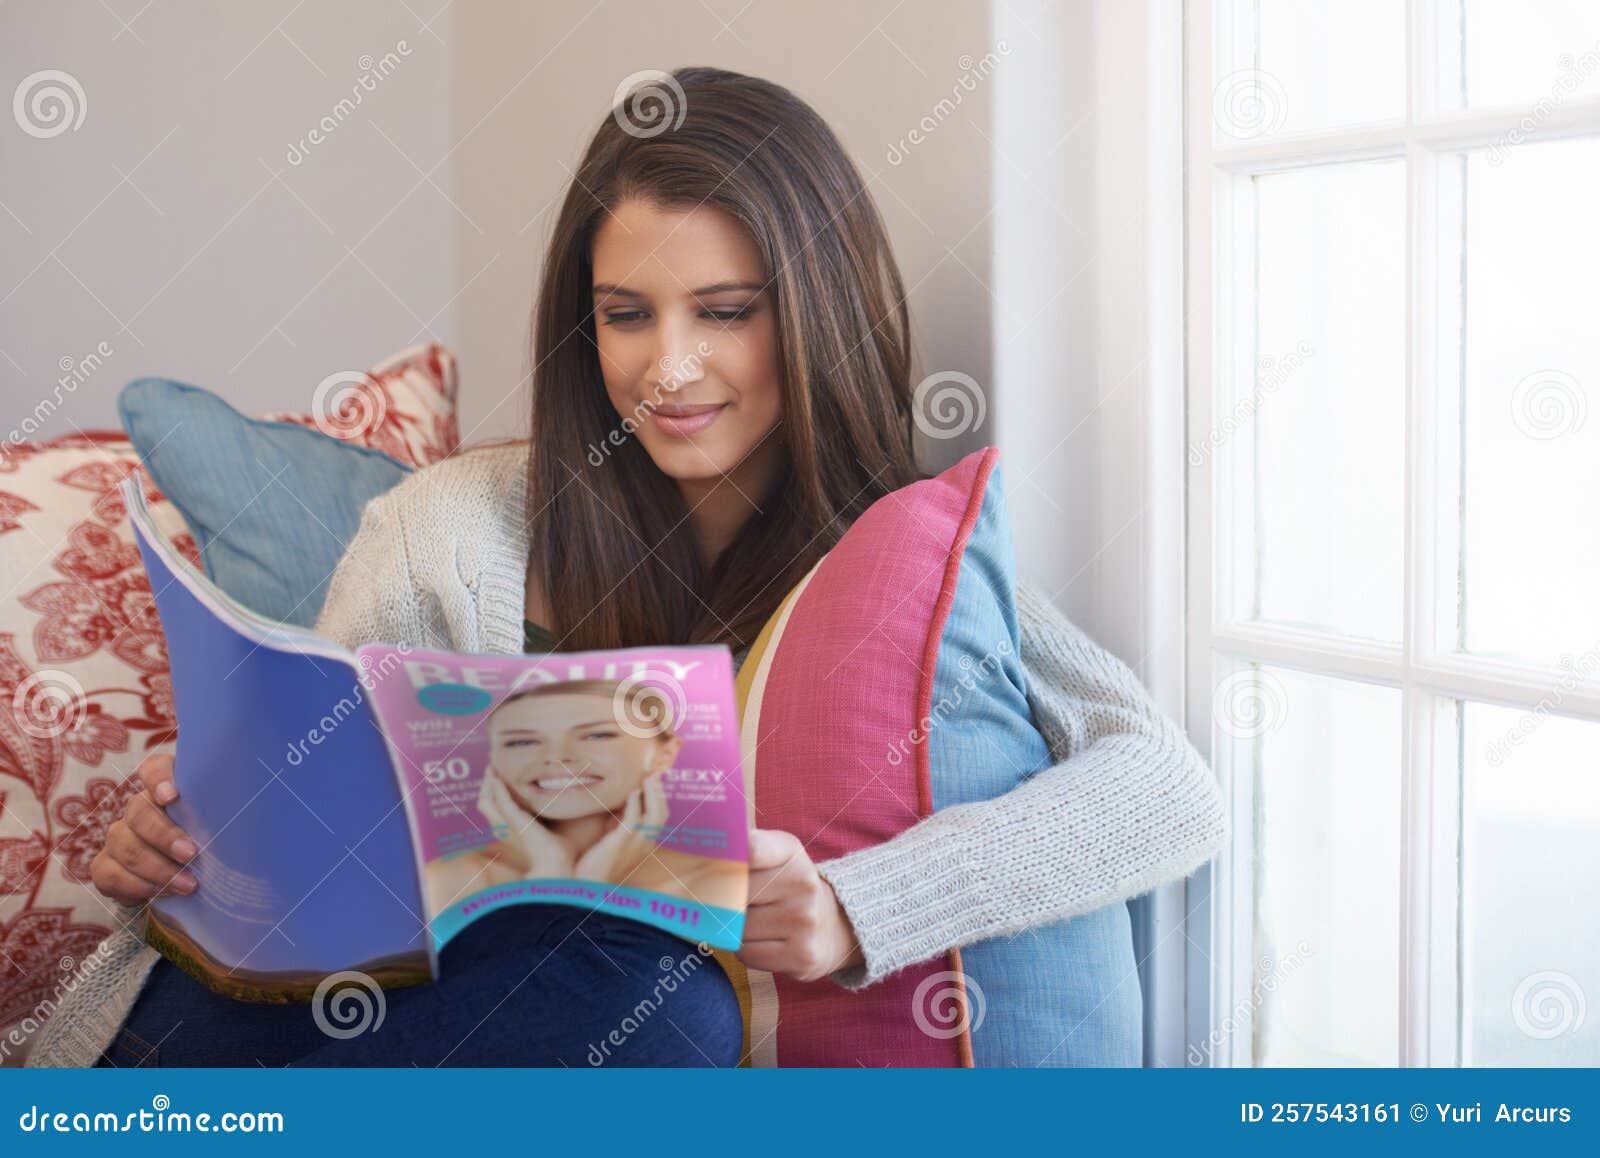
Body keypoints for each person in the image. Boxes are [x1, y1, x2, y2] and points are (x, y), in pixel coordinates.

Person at [42, 67, 1227, 1068]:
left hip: (574, 1044)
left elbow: (1168, 788)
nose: (666, 368)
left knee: (660, 1004)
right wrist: (173, 859)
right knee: (644, 995)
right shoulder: (448, 531)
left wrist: (862, 910)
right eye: (625, 315)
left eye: (722, 312)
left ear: (816, 312)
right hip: (267, 1032)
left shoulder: (892, 560)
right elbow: (298, 838)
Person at [424, 680, 744, 917]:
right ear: (492, 759)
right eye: (521, 742)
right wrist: (551, 868)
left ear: (664, 754)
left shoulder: (715, 882)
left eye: (597, 735)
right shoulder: (451, 878)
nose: (558, 757)